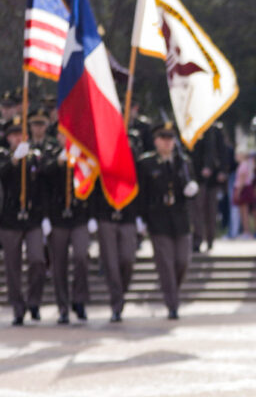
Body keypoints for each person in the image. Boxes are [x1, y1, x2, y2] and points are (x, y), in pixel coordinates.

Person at [0, 122, 50, 325]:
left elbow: (44, 187)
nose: (17, 138)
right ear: (8, 138)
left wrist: (46, 217)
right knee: (12, 267)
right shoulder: (2, 156)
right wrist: (15, 159)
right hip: (10, 219)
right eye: (14, 135)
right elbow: (0, 174)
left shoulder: (35, 158)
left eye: (20, 135)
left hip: (33, 218)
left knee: (38, 260)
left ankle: (34, 301)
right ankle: (18, 307)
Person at [137, 123, 198, 320]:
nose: (167, 142)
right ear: (156, 141)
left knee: (182, 261)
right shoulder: (147, 163)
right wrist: (141, 218)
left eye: (170, 138)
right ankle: (172, 304)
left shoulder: (183, 162)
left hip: (180, 220)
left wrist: (192, 188)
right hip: (158, 220)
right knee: (165, 264)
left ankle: (172, 292)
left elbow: (190, 189)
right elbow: (143, 194)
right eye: (163, 138)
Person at [45, 119, 92, 325]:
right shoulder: (50, 154)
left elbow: (93, 184)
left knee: (82, 256)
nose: (67, 138)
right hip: (57, 218)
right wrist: (58, 162)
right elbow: (41, 177)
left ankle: (79, 299)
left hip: (79, 217)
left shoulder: (84, 155)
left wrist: (92, 216)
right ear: (58, 137)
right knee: (59, 265)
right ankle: (63, 306)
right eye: (64, 134)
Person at [90, 174, 139, 324]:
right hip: (105, 215)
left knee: (128, 259)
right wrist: (92, 216)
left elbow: (138, 182)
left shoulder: (132, 152)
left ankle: (120, 293)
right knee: (110, 263)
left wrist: (141, 215)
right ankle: (116, 304)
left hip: (128, 215)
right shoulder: (101, 155)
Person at [188, 121, 229, 252]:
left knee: (211, 210)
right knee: (196, 210)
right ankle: (198, 240)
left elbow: (223, 151)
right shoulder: (192, 128)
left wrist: (222, 170)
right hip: (197, 177)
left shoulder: (216, 130)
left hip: (213, 179)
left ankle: (210, 239)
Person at [232, 150, 256, 238]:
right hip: (245, 188)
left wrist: (238, 191)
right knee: (246, 212)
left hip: (243, 189)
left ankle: (247, 232)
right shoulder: (247, 165)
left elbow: (242, 180)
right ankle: (248, 231)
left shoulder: (244, 165)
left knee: (245, 212)